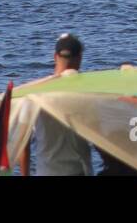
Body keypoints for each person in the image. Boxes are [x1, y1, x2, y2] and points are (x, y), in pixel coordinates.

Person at [19, 34, 92, 177]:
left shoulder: (34, 94)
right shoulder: (90, 94)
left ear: (55, 57)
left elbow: (23, 142)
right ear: (80, 58)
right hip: (79, 172)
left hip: (46, 172)